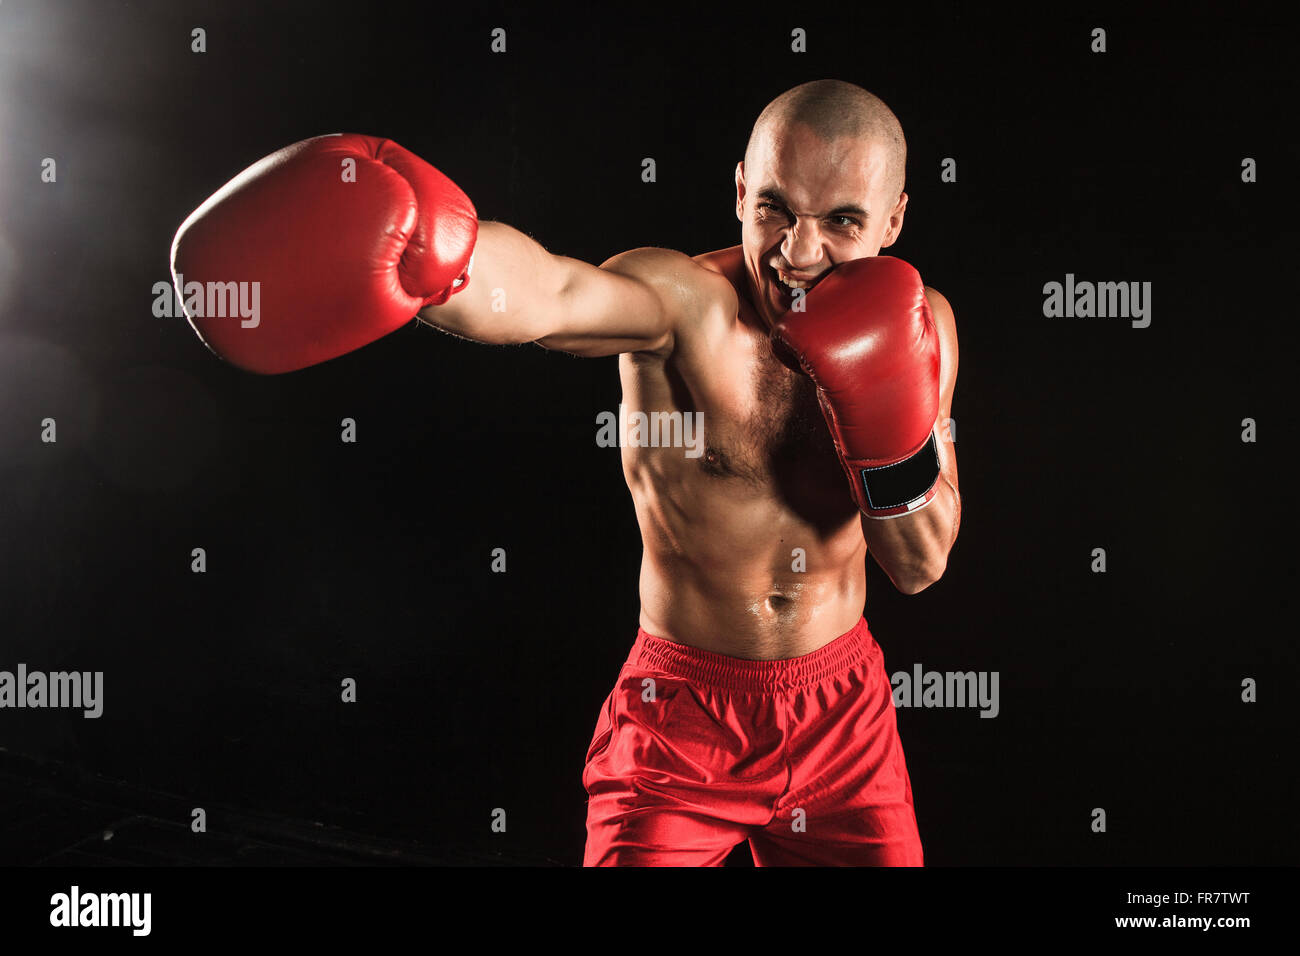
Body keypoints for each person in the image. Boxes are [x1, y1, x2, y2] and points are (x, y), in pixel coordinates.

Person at [171, 78, 961, 866]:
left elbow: (920, 565)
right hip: (682, 715)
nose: (798, 251)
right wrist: (441, 261)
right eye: (774, 208)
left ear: (894, 218)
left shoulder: (926, 329)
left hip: (842, 715)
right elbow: (553, 292)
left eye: (842, 222)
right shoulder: (685, 303)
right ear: (739, 192)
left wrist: (884, 412)